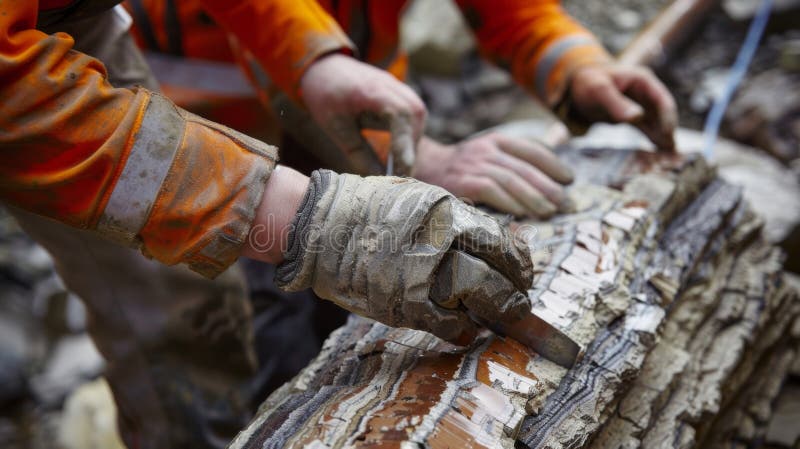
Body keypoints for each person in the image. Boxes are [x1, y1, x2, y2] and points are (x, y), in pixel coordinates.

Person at [1, 1, 534, 448]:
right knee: (157, 315)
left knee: (197, 310)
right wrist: (301, 219)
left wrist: (310, 56)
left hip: (68, 17)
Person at [126, 0, 678, 218]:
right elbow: (272, 38)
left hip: (340, 80)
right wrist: (418, 160)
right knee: (239, 309)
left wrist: (577, 68)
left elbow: (510, 10)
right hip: (186, 118)